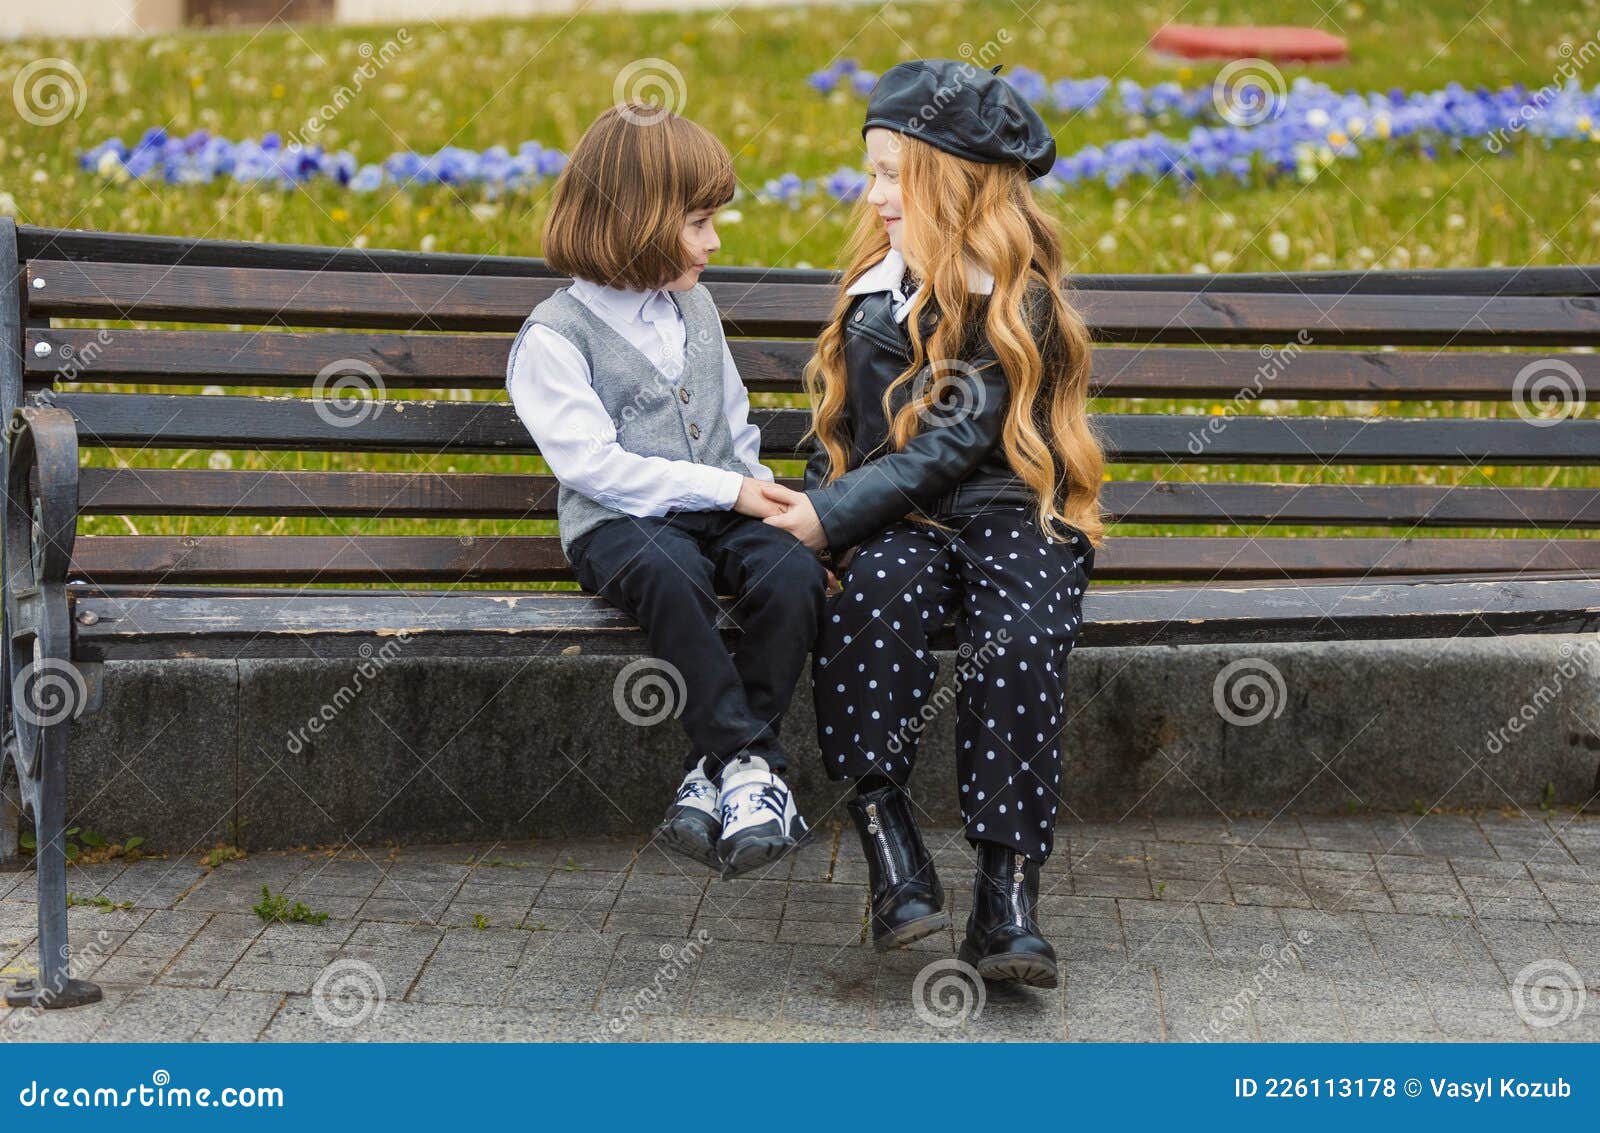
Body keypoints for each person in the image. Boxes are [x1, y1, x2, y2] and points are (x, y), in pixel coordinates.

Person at [764, 60, 1106, 986]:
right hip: (896, 517)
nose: (872, 195)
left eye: (891, 174)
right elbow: (849, 434)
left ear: (951, 181)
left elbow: (950, 445)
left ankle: (1007, 896)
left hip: (1010, 508)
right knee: (873, 592)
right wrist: (814, 498)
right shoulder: (879, 286)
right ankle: (891, 849)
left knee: (1023, 633)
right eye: (869, 172)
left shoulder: (1016, 296)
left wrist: (823, 517)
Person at [506, 104, 825, 879]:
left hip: (718, 509)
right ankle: (753, 762)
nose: (715, 241)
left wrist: (757, 494)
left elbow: (731, 417)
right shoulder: (555, 336)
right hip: (618, 524)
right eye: (698, 222)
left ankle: (712, 775)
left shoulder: (697, 306)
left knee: (792, 574)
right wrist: (727, 488)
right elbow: (594, 465)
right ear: (638, 223)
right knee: (669, 572)